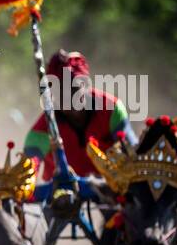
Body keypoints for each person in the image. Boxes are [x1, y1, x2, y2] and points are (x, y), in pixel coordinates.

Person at [22, 49, 137, 181]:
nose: (69, 99)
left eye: (74, 89)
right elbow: (25, 177)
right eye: (61, 93)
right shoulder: (41, 130)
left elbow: (133, 157)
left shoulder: (112, 110)